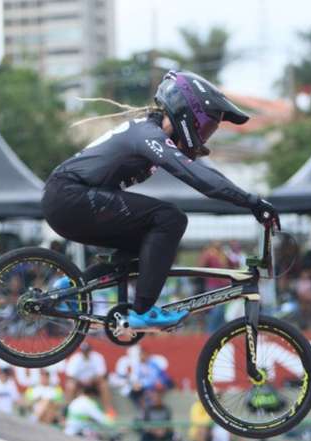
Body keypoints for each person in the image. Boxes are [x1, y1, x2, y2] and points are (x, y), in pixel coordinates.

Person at [41, 69, 279, 330]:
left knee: (147, 245)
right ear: (187, 113)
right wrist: (251, 202)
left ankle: (72, 288)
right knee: (170, 219)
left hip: (69, 199)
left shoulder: (150, 132)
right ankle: (143, 311)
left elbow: (205, 174)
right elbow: (197, 177)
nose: (206, 136)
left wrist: (249, 200)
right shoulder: (148, 134)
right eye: (207, 127)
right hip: (69, 196)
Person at [66, 342, 115, 417]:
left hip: (94, 383)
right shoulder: (75, 358)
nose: (86, 353)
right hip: (79, 383)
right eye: (84, 351)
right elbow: (70, 376)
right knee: (70, 385)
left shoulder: (98, 357)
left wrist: (91, 381)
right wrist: (82, 381)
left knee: (104, 385)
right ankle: (69, 410)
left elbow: (102, 375)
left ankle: (108, 410)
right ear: (81, 351)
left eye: (87, 350)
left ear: (90, 350)